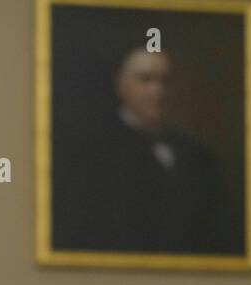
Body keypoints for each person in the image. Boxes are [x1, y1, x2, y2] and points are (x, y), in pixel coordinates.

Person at [52, 48, 237, 255]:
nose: (158, 92)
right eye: (145, 80)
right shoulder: (93, 154)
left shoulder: (198, 156)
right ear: (121, 85)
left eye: (165, 81)